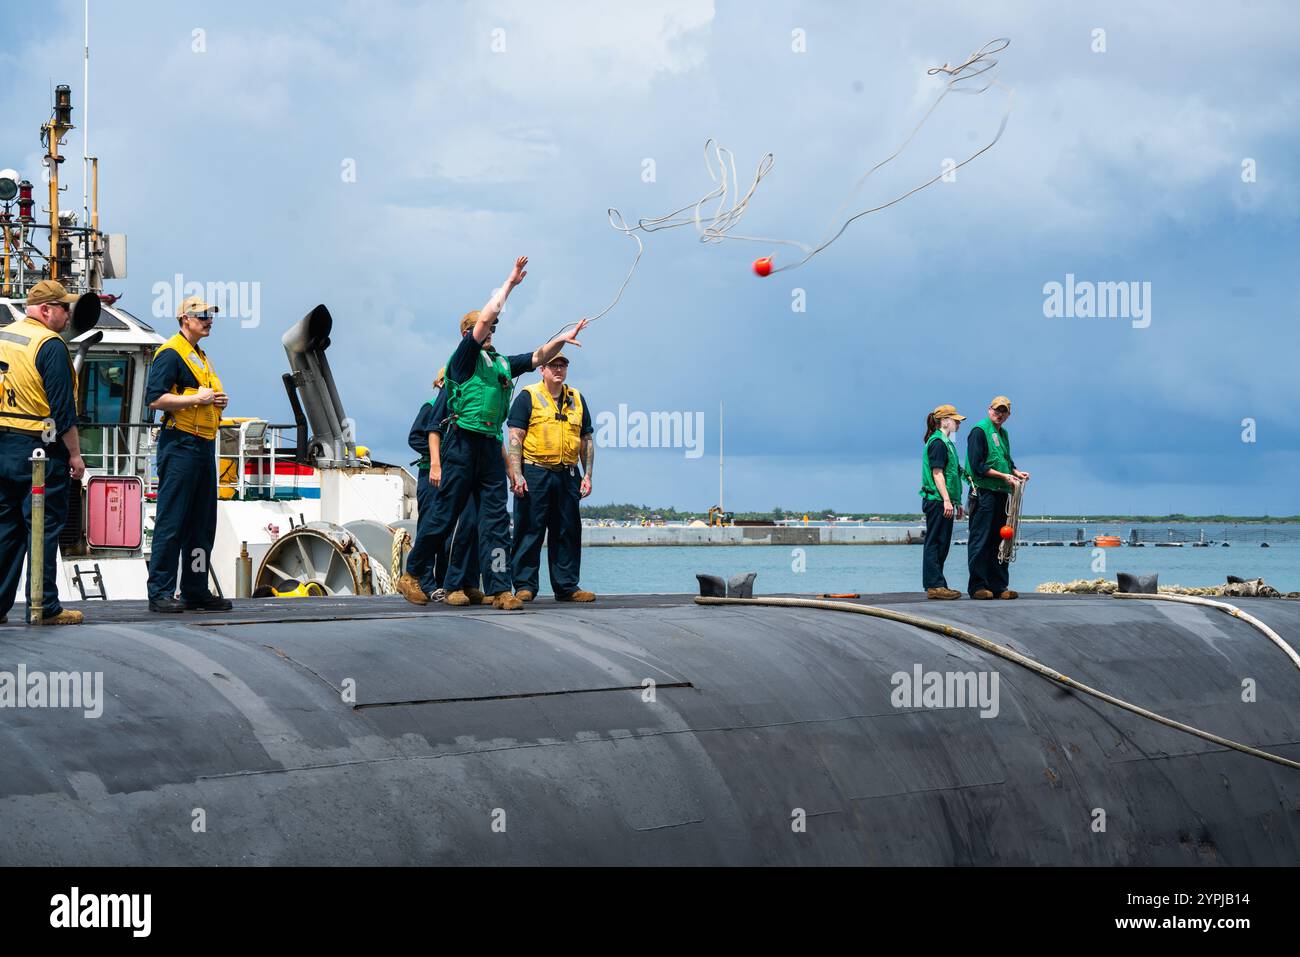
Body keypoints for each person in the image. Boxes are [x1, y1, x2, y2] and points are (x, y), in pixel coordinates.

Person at [396, 256, 587, 611]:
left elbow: (537, 357)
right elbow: (484, 318)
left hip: (487, 446)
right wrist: (510, 284)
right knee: (443, 515)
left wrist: (562, 339)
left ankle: (500, 587)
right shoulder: (463, 358)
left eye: (496, 329)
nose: (491, 331)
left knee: (497, 521)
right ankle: (413, 573)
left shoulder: (500, 363)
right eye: (488, 328)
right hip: (461, 443)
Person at [0, 280, 87, 625]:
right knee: (43, 526)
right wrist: (76, 456)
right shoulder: (49, 345)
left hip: (4, 447)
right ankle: (43, 606)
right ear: (47, 310)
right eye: (65, 308)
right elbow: (63, 411)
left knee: (7, 528)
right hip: (38, 449)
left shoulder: (5, 335)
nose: (68, 316)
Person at [144, 295, 233, 613]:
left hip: (202, 445)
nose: (209, 320)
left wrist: (215, 401)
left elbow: (197, 396)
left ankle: (194, 589)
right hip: (180, 444)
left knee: (201, 523)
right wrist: (198, 398)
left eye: (211, 316)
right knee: (172, 520)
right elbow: (154, 399)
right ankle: (160, 592)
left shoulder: (200, 356)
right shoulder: (170, 353)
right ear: (185, 319)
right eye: (203, 315)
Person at [507, 353, 596, 602]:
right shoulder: (528, 396)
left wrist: (587, 475)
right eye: (553, 365)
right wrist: (517, 474)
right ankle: (525, 585)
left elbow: (586, 439)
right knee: (528, 529)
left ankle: (567, 586)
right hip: (535, 471)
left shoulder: (576, 398)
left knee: (567, 530)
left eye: (563, 365)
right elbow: (515, 436)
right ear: (542, 369)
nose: (559, 369)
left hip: (567, 473)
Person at [405, 367, 482, 604]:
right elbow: (416, 437)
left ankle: (449, 581)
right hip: (432, 476)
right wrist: (441, 456)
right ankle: (426, 584)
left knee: (456, 530)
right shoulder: (430, 406)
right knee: (431, 527)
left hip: (455, 477)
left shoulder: (462, 412)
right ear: (440, 384)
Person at [966, 395, 1030, 600]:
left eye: (1004, 411)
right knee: (981, 539)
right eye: (997, 410)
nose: (999, 414)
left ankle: (999, 585)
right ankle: (978, 586)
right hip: (984, 493)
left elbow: (1005, 460)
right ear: (989, 409)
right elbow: (977, 466)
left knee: (1001, 539)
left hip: (1002, 493)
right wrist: (1004, 476)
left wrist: (1016, 472)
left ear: (1008, 414)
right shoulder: (979, 431)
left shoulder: (1003, 434)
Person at [919, 404, 965, 600]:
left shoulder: (948, 443)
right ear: (945, 421)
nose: (958, 423)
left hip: (945, 500)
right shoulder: (938, 443)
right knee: (935, 542)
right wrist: (947, 500)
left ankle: (939, 582)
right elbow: (937, 473)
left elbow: (953, 473)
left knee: (943, 543)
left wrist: (956, 501)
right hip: (937, 500)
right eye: (955, 420)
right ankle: (934, 585)